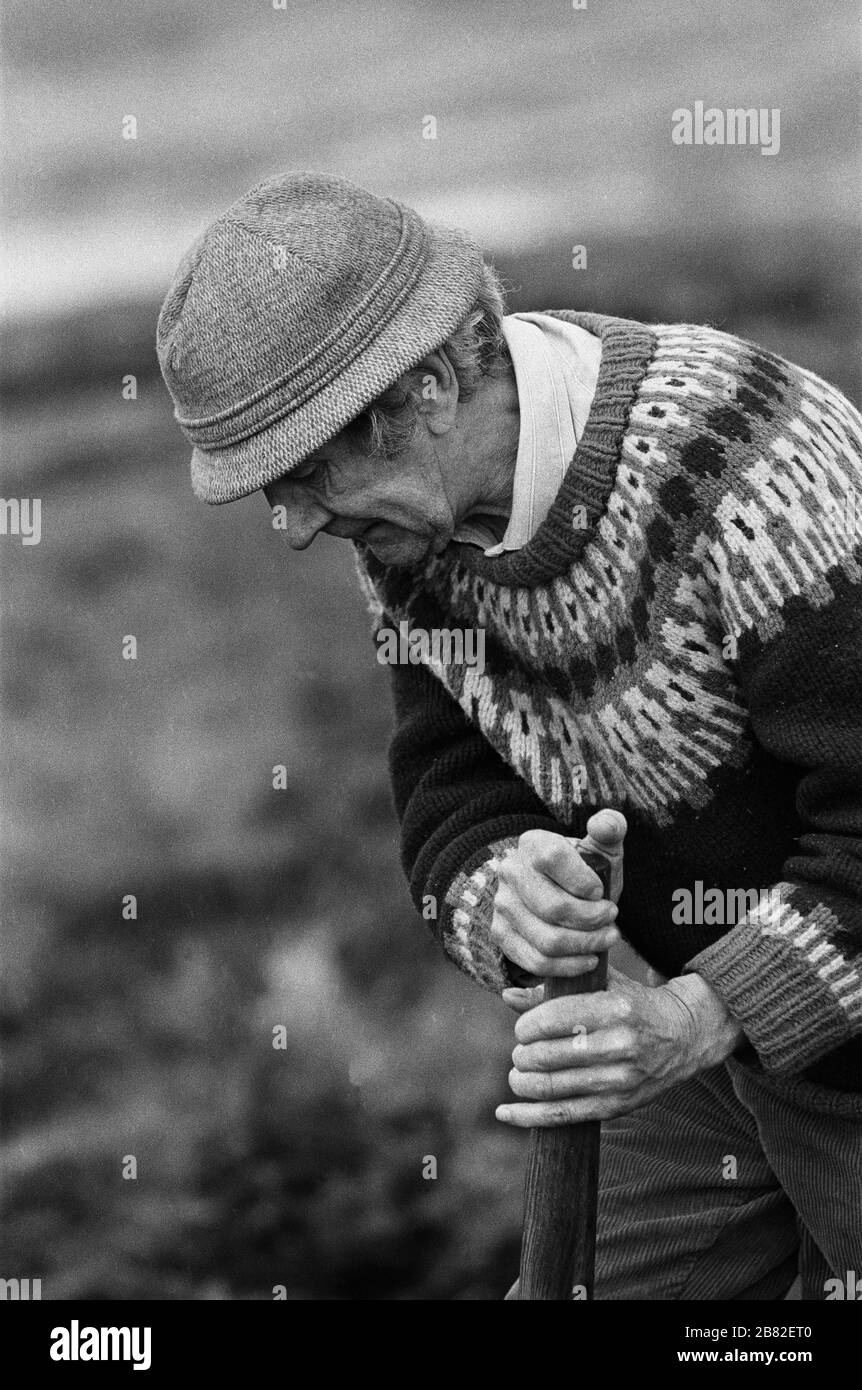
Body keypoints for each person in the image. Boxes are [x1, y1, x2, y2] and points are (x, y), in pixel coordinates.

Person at [157, 171, 862, 1299]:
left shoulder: (746, 471)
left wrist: (702, 1014)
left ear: (429, 385)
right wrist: (504, 886)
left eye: (300, 476)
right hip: (691, 1028)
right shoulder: (408, 533)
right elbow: (450, 786)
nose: (292, 529)